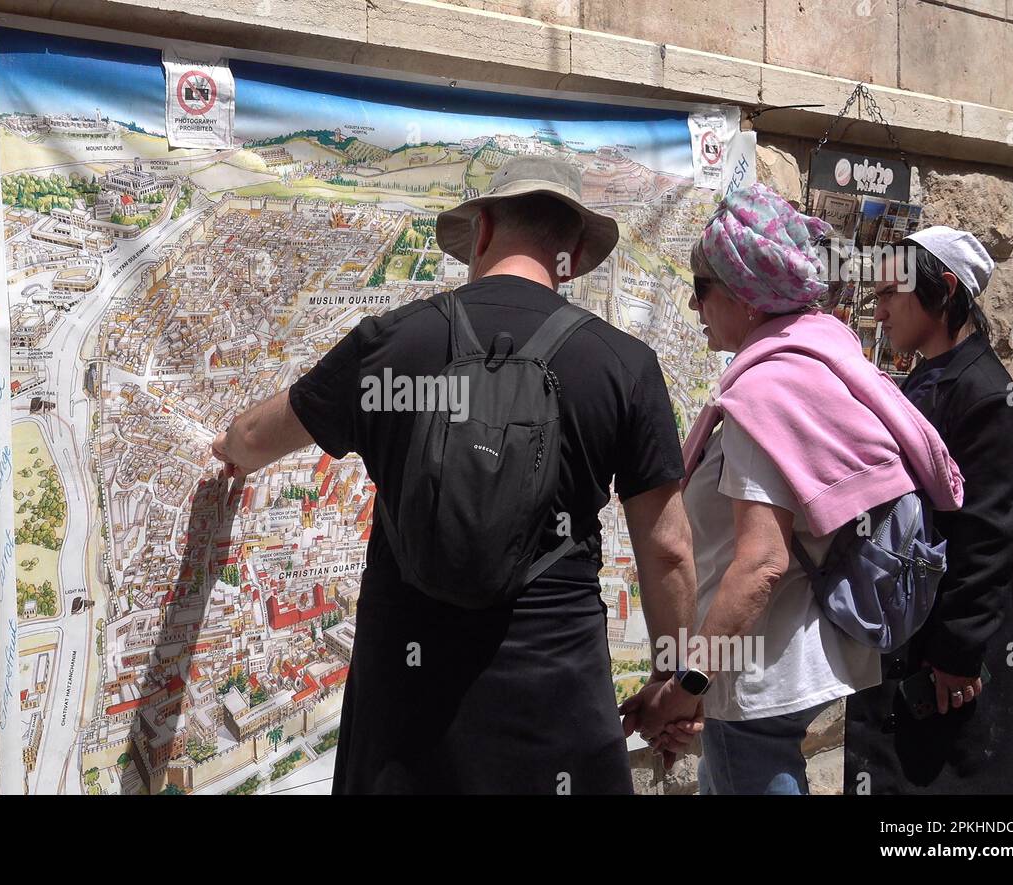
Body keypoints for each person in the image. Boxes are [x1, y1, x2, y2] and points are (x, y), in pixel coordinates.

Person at [212, 156, 702, 794]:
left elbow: (251, 441)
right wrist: (677, 684)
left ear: (483, 230)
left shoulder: (393, 344)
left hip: (406, 712)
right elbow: (667, 549)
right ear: (575, 254)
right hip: (553, 701)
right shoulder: (623, 365)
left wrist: (221, 447)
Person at [640, 184, 966, 795]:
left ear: (741, 294)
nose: (692, 305)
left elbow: (762, 563)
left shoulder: (766, 393)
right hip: (773, 658)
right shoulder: (815, 357)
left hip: (763, 670)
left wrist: (687, 687)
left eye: (701, 289)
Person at [844, 226, 1013, 794]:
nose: (877, 313)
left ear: (944, 289)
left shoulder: (985, 396)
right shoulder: (925, 379)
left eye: (887, 295)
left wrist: (956, 654)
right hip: (907, 645)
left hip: (948, 666)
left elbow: (987, 537)